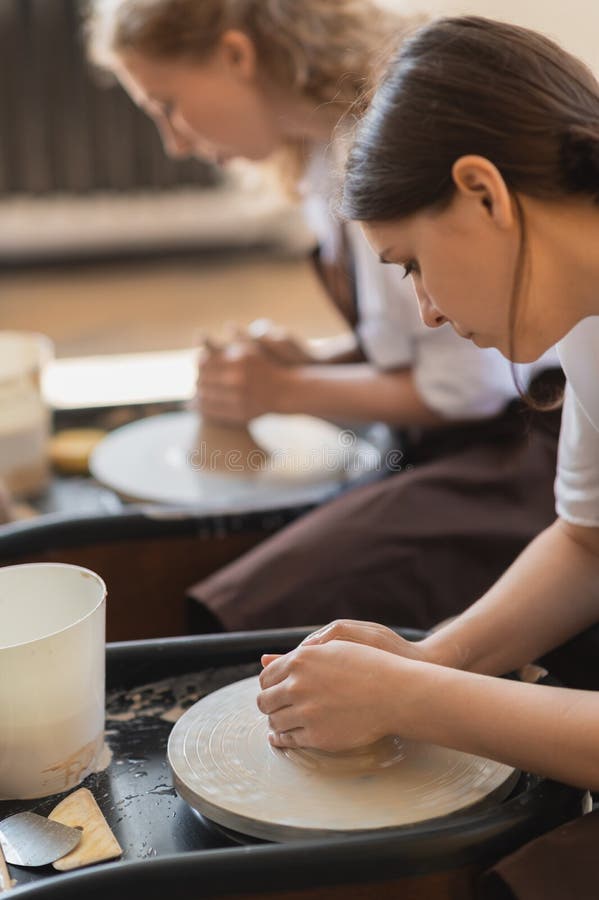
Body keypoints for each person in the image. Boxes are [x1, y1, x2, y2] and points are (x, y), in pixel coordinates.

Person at [256, 16, 599, 899]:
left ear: (482, 192)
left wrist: (415, 701)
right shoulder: (586, 325)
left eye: (411, 263)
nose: (426, 315)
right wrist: (431, 660)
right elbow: (587, 540)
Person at [86, 1, 561, 635]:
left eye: (167, 105)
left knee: (250, 603)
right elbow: (419, 345)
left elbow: (471, 387)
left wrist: (282, 391)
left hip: (523, 457)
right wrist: (318, 363)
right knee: (243, 566)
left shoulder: (381, 149)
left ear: (236, 55)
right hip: (454, 443)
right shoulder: (319, 157)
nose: (174, 143)